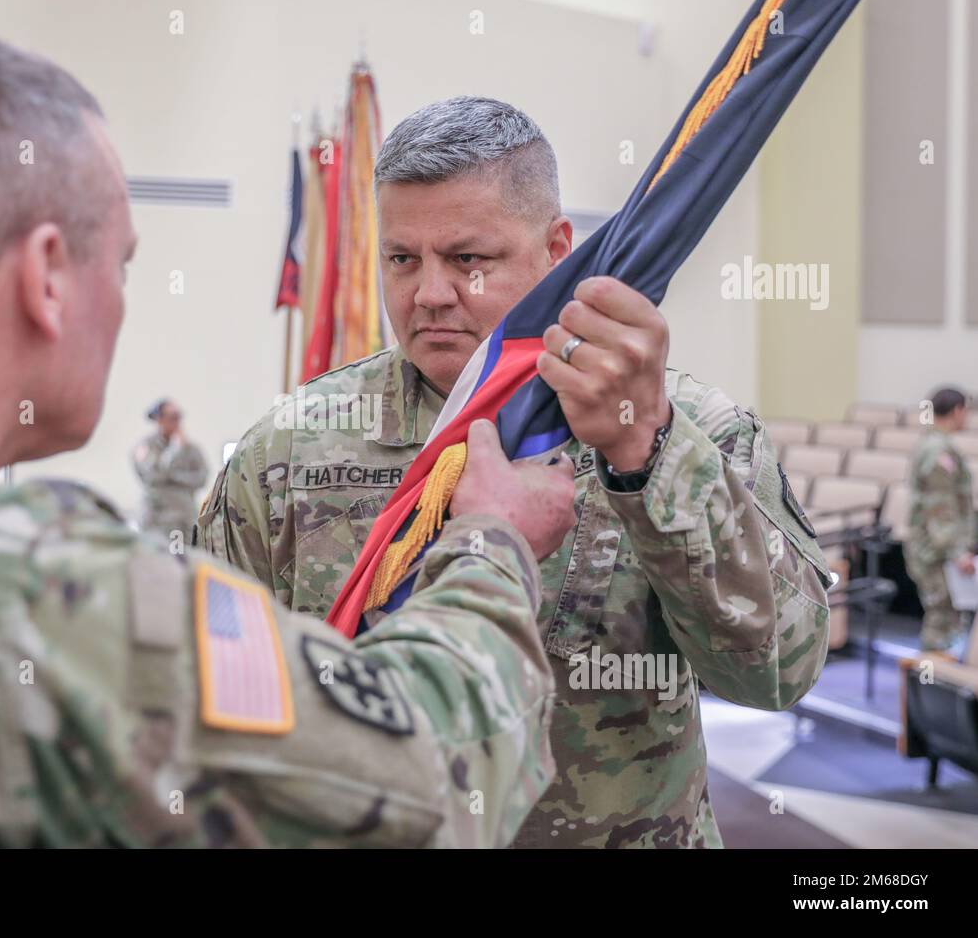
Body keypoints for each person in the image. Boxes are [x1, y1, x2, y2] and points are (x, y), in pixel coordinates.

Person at [0, 38, 579, 848]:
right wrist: (491, 545)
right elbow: (423, 791)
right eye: (123, 262)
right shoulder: (38, 586)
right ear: (45, 278)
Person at [198, 96, 832, 848]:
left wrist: (648, 458)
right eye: (402, 259)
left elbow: (777, 672)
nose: (430, 294)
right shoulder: (293, 449)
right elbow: (216, 698)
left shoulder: (677, 426)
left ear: (556, 249)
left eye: (470, 259)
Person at [905, 387, 976, 652]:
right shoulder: (939, 452)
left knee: (944, 619)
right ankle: (933, 683)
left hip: (933, 547)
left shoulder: (931, 443)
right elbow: (940, 508)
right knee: (942, 621)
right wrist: (957, 552)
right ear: (957, 410)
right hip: (937, 551)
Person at [132, 398, 209, 541]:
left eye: (179, 417)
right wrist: (174, 450)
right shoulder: (146, 447)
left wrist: (172, 477)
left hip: (183, 518)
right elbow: (153, 476)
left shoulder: (191, 449)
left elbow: (201, 478)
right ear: (159, 420)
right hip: (156, 520)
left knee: (184, 560)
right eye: (172, 418)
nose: (177, 422)